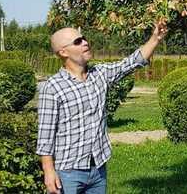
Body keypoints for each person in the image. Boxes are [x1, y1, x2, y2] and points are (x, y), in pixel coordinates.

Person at [36, 22, 167, 194]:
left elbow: (132, 62)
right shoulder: (52, 88)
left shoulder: (100, 74)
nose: (85, 42)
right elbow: (45, 136)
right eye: (77, 41)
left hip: (98, 169)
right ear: (63, 52)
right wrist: (48, 171)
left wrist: (155, 38)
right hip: (68, 173)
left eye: (83, 38)